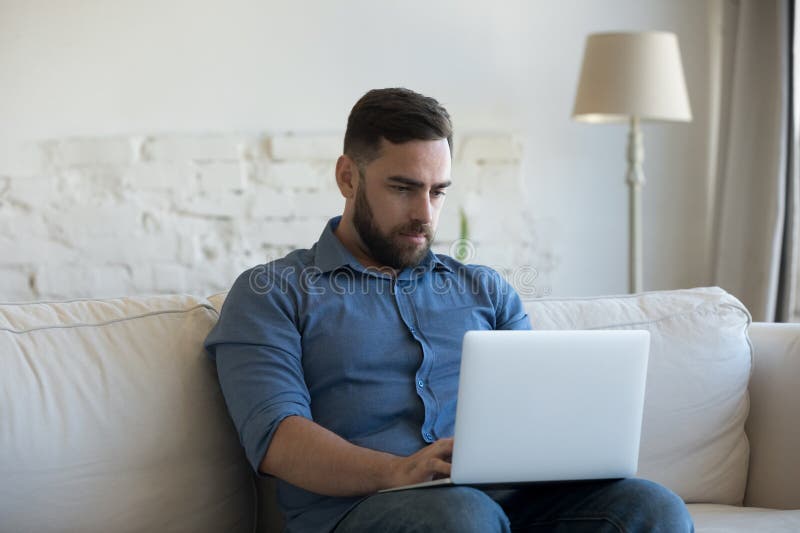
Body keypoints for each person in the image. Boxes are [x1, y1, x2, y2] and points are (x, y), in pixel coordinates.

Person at [204, 88, 694, 533]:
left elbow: (534, 410)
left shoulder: (486, 290)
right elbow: (276, 438)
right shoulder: (273, 293)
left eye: (437, 191)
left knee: (652, 508)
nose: (425, 213)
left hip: (503, 505)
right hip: (366, 511)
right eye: (403, 188)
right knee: (463, 516)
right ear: (348, 177)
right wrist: (399, 471)